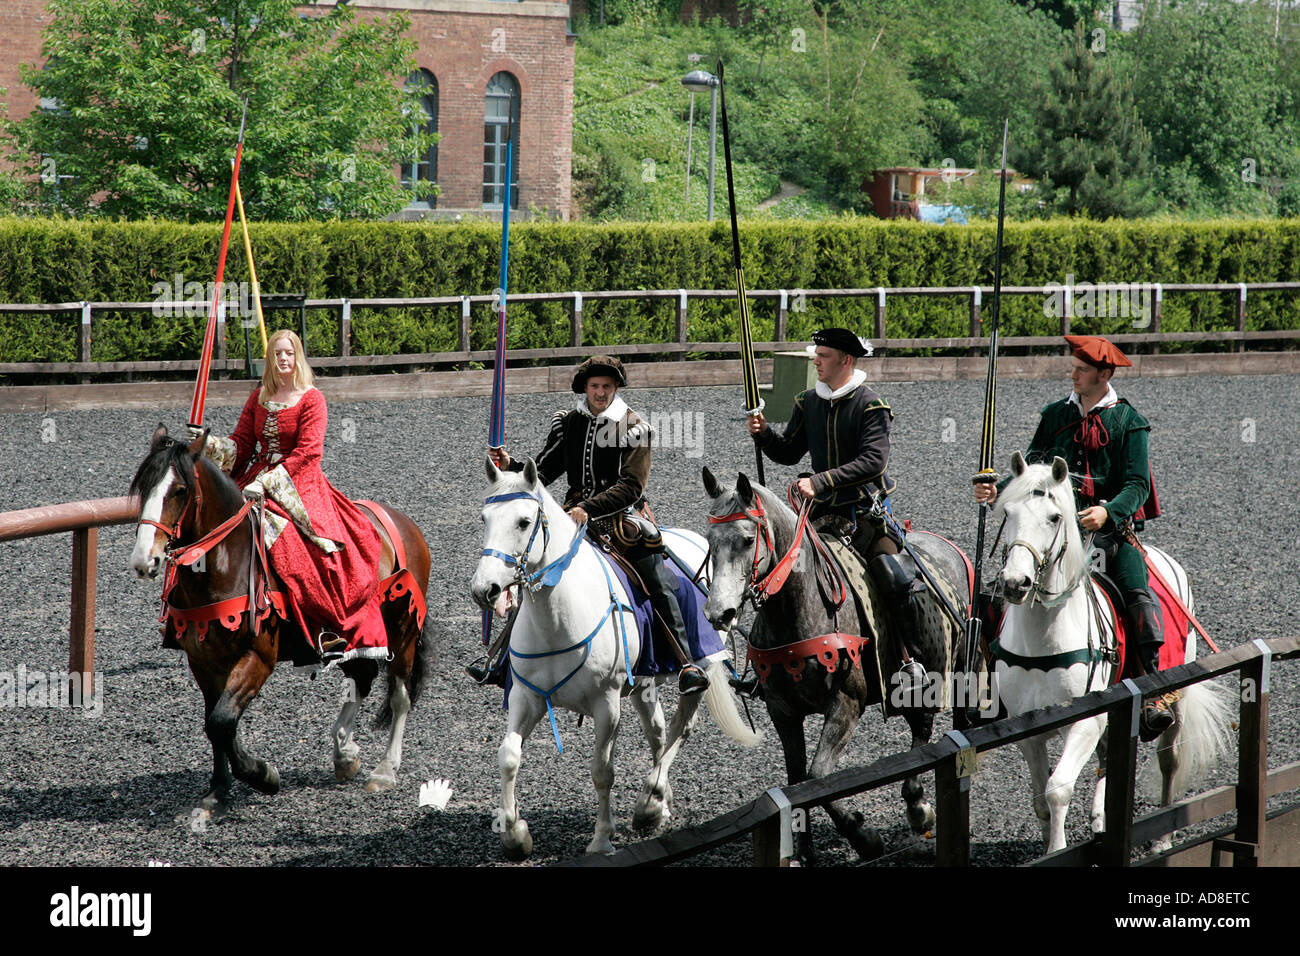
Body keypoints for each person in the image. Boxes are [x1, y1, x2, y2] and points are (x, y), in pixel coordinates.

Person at [469, 355, 710, 694]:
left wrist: (588, 507)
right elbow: (543, 470)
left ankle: (685, 662)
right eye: (595, 386)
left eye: (607, 387)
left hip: (622, 518)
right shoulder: (569, 423)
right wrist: (512, 467)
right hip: (571, 516)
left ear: (615, 388)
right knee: (530, 567)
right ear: (585, 388)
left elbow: (632, 486)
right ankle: (504, 659)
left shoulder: (634, 427)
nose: (600, 393)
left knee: (655, 578)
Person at [973, 334, 1170, 740]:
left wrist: (1108, 511)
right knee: (993, 596)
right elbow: (1032, 469)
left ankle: (1150, 693)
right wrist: (1000, 489)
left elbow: (1137, 485)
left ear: (1104, 373)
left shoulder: (1130, 422)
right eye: (1074, 367)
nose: (1073, 375)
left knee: (1138, 599)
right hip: (1053, 530)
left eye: (1082, 370)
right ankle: (990, 686)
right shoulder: (1054, 414)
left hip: (1110, 534)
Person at [746, 327, 929, 693]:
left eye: (823, 356)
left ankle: (911, 659)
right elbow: (788, 453)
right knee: (778, 571)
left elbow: (873, 462)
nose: (816, 360)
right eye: (816, 354)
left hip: (865, 515)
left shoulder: (872, 405)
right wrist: (764, 432)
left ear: (846, 360)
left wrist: (821, 481)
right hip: (818, 515)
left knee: (891, 576)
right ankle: (766, 661)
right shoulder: (807, 401)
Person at [189, 329, 385, 662]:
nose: (283, 359)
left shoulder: (312, 399)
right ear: (269, 358)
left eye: (289, 353)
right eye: (277, 353)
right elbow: (243, 444)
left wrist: (267, 483)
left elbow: (309, 453)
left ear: (298, 358)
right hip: (254, 478)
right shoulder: (259, 396)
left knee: (304, 544)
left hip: (297, 484)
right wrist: (209, 442)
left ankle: (324, 624)